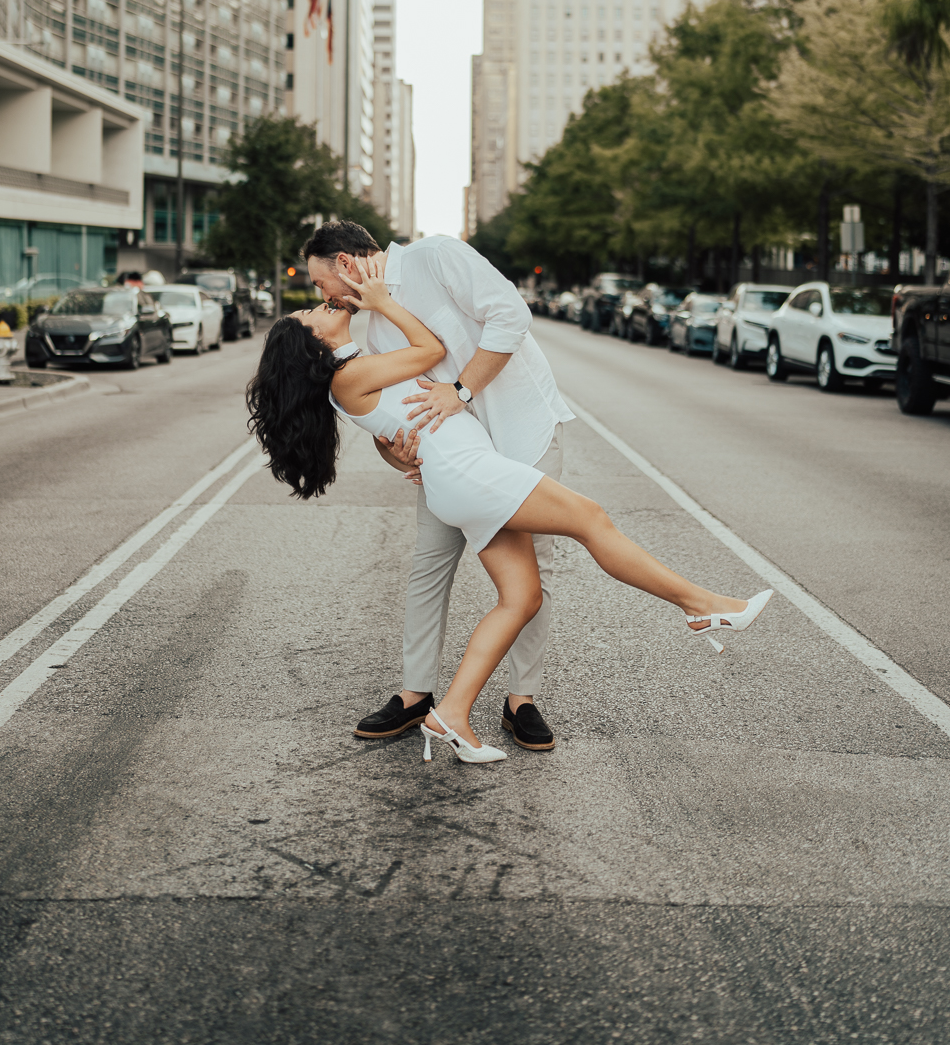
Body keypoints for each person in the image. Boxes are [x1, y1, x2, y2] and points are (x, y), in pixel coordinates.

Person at [247, 255, 773, 766]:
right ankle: (699, 604)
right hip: (470, 473)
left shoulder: (354, 368)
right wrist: (385, 303)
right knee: (592, 520)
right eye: (312, 312)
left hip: (459, 474)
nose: (321, 303)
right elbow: (430, 349)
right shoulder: (349, 374)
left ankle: (451, 713)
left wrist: (400, 446)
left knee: (521, 597)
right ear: (311, 345)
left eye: (317, 297)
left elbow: (395, 421)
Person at [302, 221, 572, 752]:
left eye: (319, 284)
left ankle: (523, 699)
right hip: (452, 457)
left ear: (346, 264)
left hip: (521, 431)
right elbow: (387, 414)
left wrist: (462, 390)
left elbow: (511, 315)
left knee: (530, 570)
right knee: (430, 564)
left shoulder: (437, 257)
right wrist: (396, 451)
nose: (322, 295)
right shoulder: (369, 328)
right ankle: (415, 694)